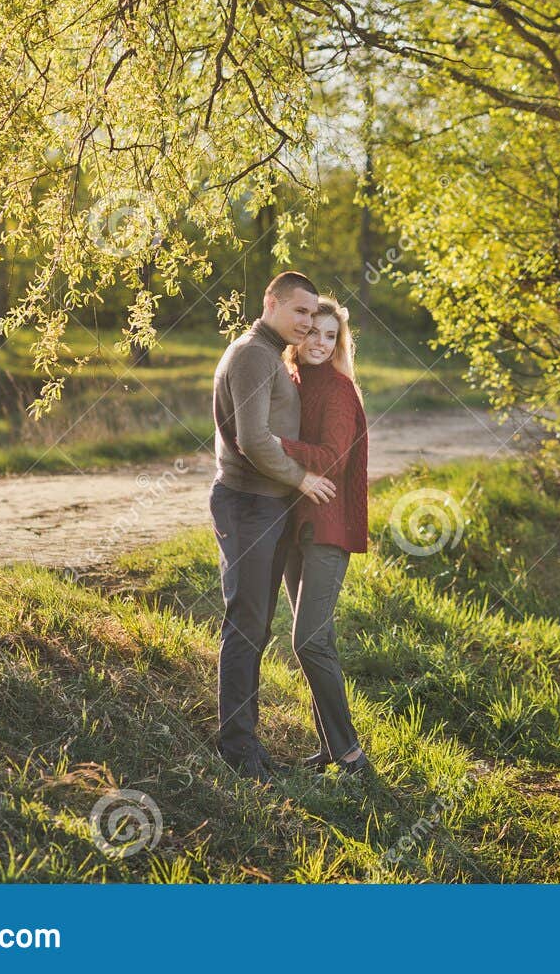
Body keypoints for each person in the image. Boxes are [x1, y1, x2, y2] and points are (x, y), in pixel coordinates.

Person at [209, 271, 337, 780]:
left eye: (313, 313)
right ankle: (238, 750)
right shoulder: (253, 355)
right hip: (248, 505)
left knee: (258, 625)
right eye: (299, 311)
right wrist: (302, 478)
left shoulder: (268, 351)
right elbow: (253, 440)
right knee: (246, 625)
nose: (307, 322)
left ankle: (248, 744)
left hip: (269, 505)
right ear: (271, 302)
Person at [272, 296, 372, 777]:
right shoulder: (293, 381)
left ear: (339, 344)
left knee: (308, 639)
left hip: (329, 527)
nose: (320, 342)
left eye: (330, 336)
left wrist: (274, 446)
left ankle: (351, 753)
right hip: (297, 525)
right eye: (313, 332)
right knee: (318, 639)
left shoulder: (337, 389)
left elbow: (333, 456)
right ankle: (332, 747)